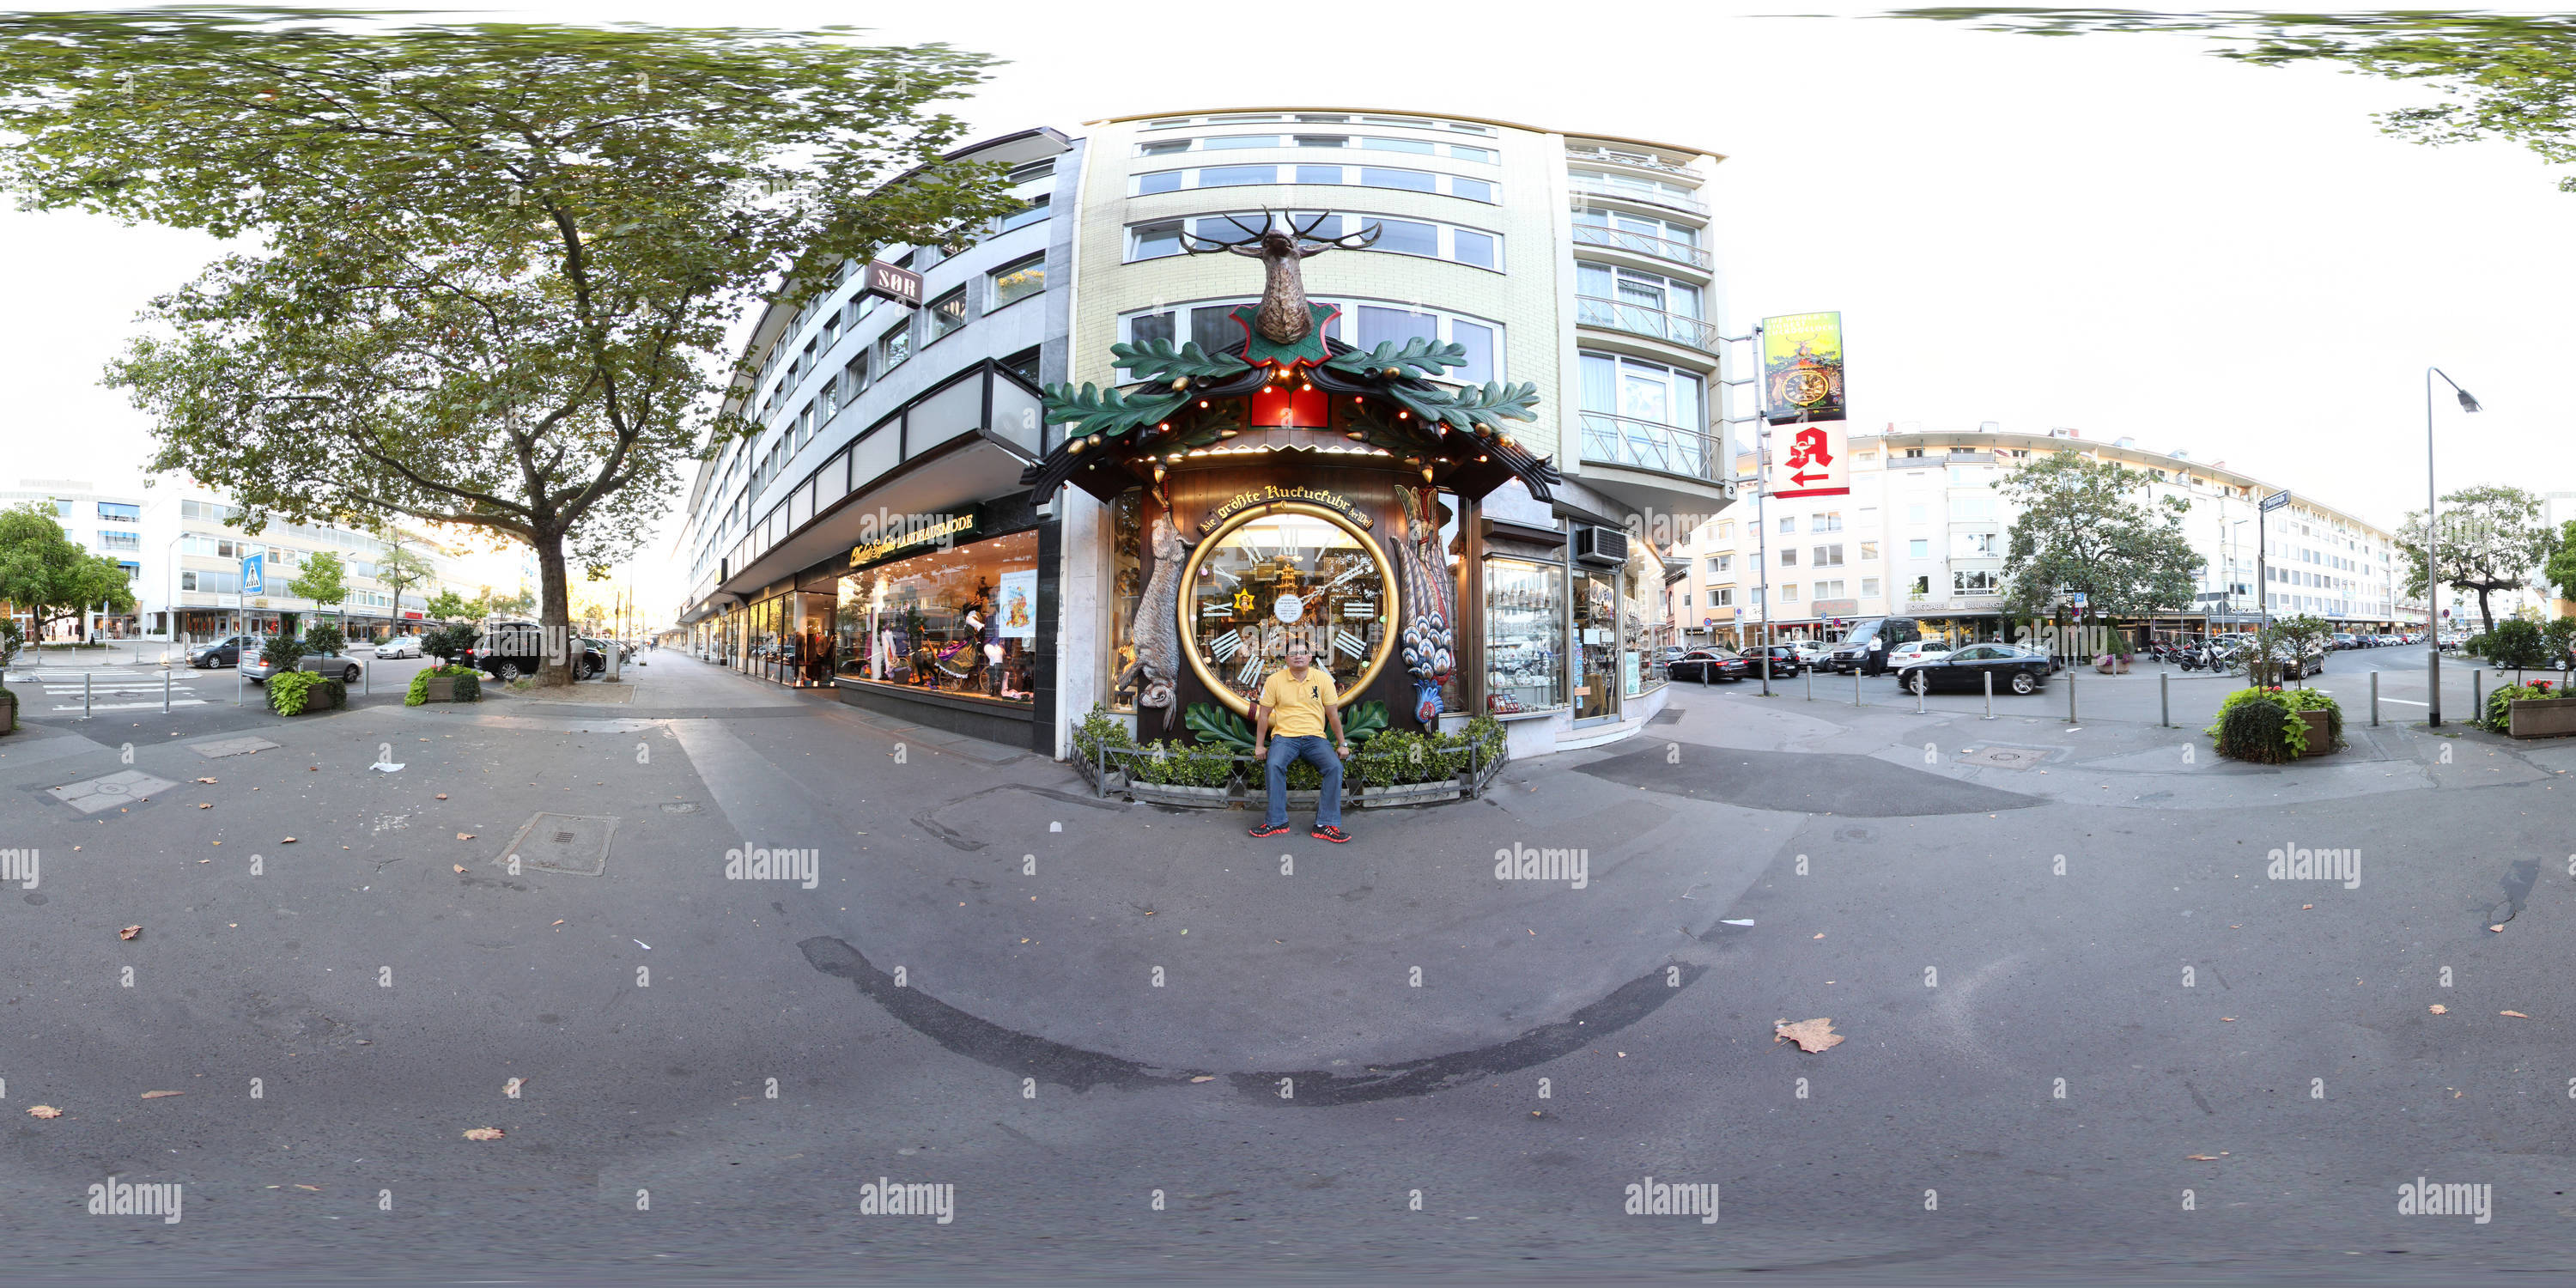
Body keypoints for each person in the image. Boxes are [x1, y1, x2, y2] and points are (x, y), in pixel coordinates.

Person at [1248, 646, 1352, 844]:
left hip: (1315, 738)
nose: (1298, 656)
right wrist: (1259, 746)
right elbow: (1263, 715)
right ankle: (1277, 821)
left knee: (1334, 767)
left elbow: (1332, 714)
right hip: (1285, 737)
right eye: (1293, 653)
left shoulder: (1323, 679)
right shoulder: (1274, 680)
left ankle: (1325, 824)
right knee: (1274, 764)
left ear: (1310, 657)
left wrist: (1342, 743)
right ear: (1286, 658)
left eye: (1302, 653)